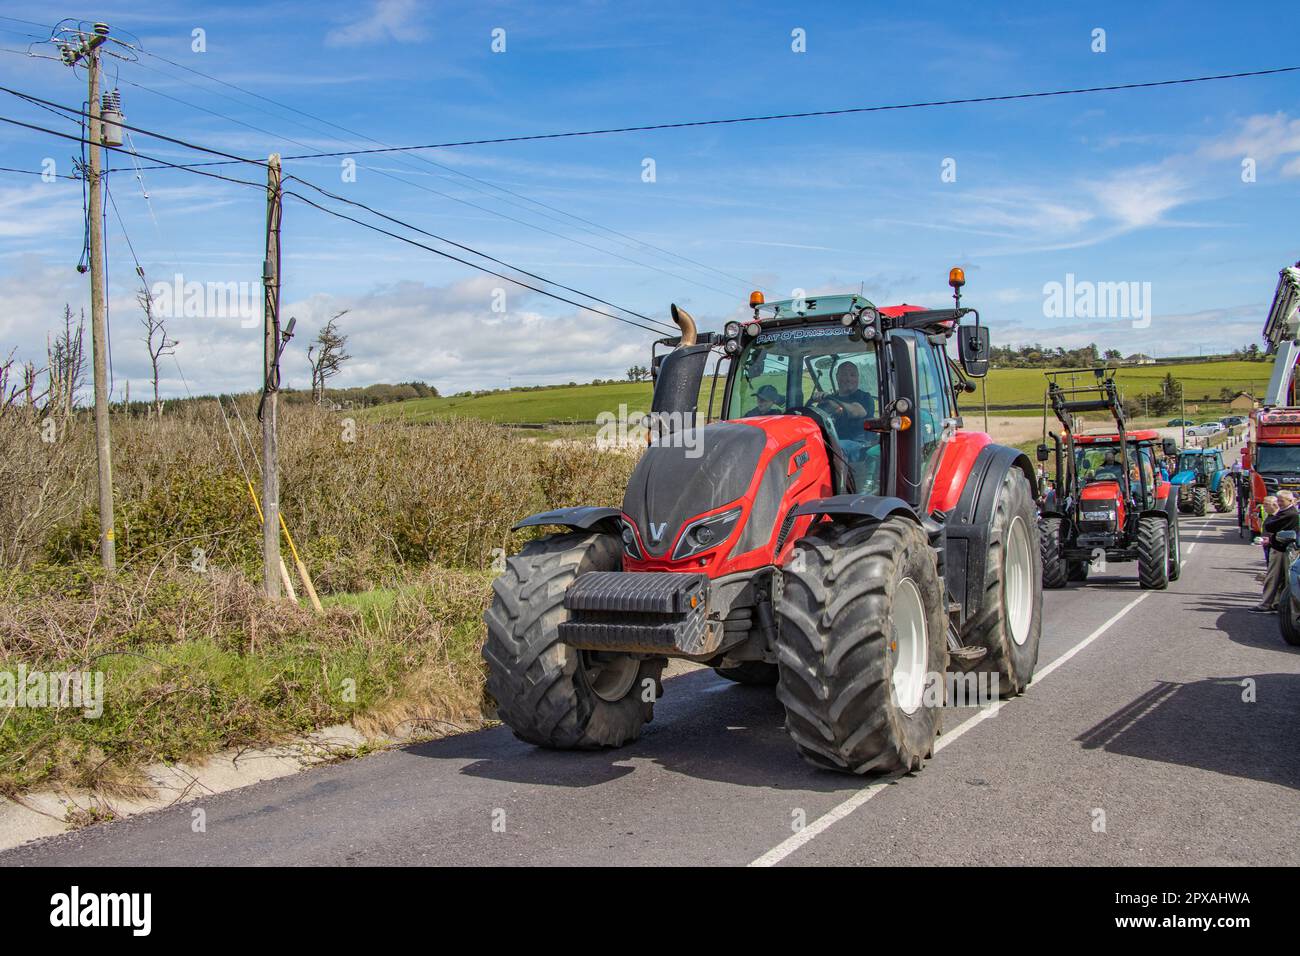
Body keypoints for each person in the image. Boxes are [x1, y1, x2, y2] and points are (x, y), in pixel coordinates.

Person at [812, 362, 877, 459]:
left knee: (831, 448)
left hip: (858, 445)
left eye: (852, 375)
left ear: (857, 378)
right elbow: (817, 419)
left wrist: (831, 403)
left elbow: (857, 411)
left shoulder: (865, 397)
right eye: (844, 375)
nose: (848, 379)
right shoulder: (828, 400)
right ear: (837, 377)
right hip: (831, 441)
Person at [1255, 491, 1298, 612]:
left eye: (1281, 501)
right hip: (1279, 547)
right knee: (1281, 578)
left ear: (1290, 501)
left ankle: (1266, 604)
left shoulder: (1290, 514)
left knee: (1273, 577)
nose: (1279, 503)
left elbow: (1270, 526)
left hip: (1281, 549)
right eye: (1278, 500)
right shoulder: (1284, 512)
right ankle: (1277, 603)